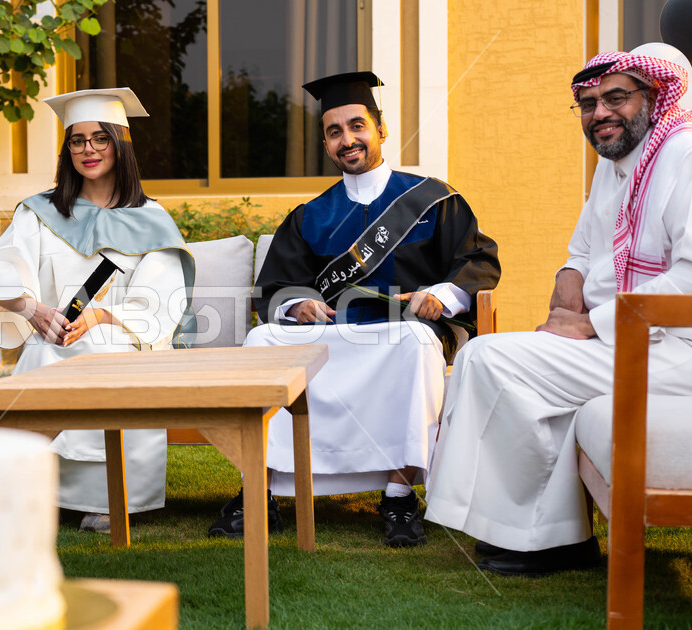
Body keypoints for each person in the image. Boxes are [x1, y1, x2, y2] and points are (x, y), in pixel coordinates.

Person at [425, 52, 692, 576]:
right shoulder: (616, 162)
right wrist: (569, 279)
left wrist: (590, 324)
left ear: (653, 99)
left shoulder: (690, 159)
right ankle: (546, 533)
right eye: (587, 103)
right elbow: (583, 247)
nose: (599, 113)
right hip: (632, 339)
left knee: (490, 359)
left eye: (615, 98)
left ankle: (549, 539)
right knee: (497, 359)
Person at [207, 71, 500, 546]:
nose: (348, 139)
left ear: (381, 130)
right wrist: (298, 303)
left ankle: (399, 495)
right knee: (263, 340)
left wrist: (441, 296)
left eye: (357, 126)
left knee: (413, 342)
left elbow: (477, 260)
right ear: (326, 144)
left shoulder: (432, 200)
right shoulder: (309, 217)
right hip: (335, 334)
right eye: (335, 131)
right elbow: (275, 287)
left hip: (405, 332)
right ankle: (261, 489)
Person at [0, 88, 194, 533]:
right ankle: (29, 491)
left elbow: (160, 297)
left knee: (102, 353)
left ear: (120, 144)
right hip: (52, 334)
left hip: (117, 338)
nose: (88, 149)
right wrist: (33, 309)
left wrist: (99, 317)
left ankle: (112, 497)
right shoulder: (42, 212)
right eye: (77, 140)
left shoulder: (151, 217)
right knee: (43, 354)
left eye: (100, 138)